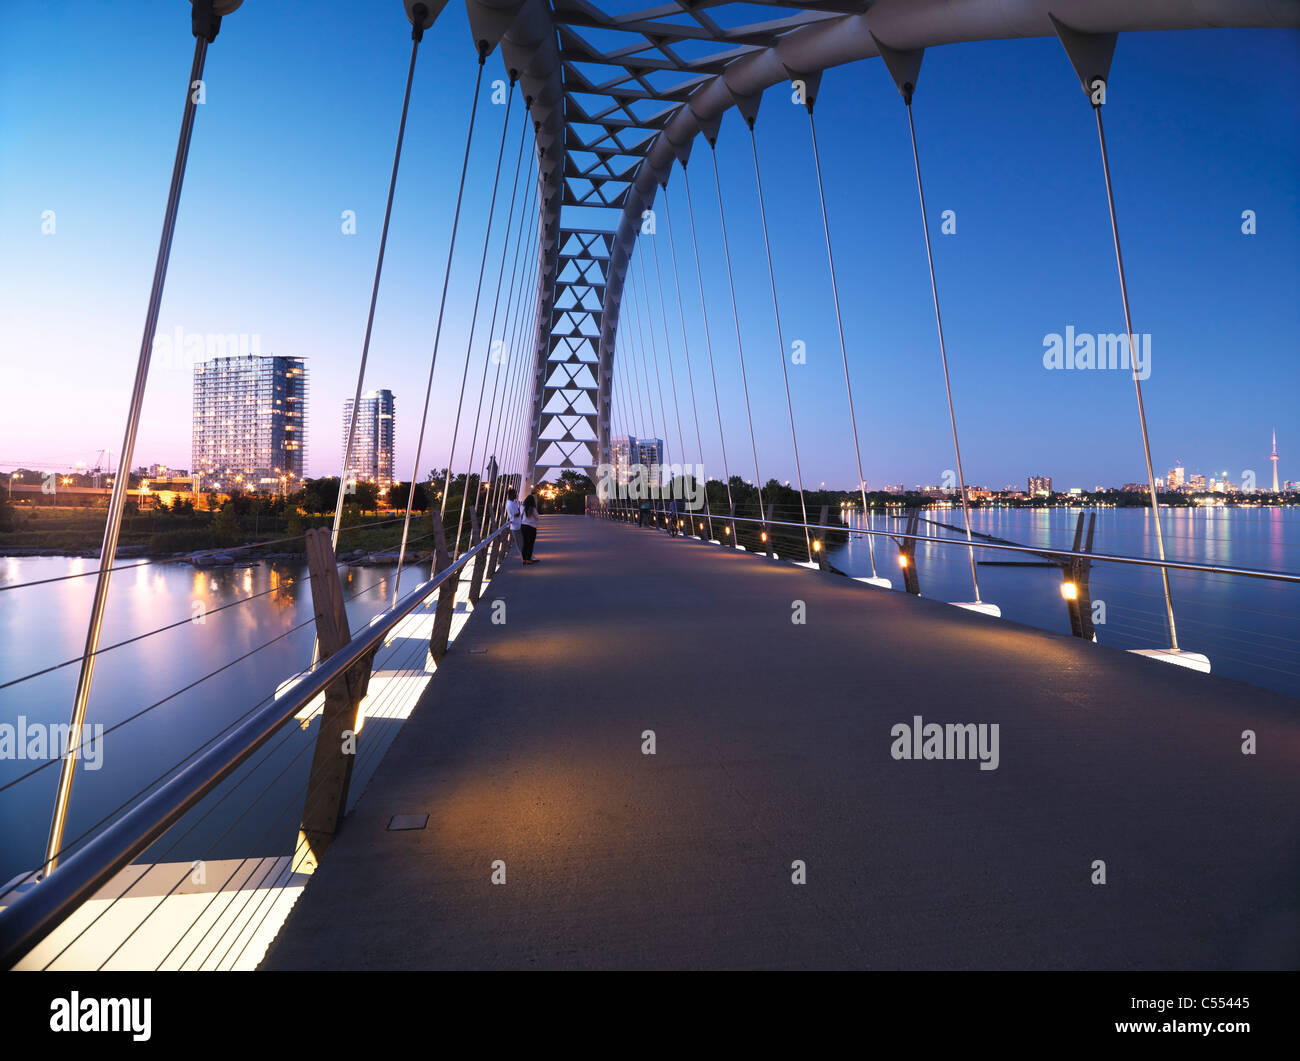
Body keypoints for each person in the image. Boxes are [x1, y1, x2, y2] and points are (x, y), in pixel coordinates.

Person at [520, 491, 540, 564]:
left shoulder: (522, 507)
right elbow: (537, 518)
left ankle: (524, 559)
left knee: (525, 543)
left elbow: (520, 515)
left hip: (523, 526)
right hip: (531, 527)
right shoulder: (533, 509)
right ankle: (528, 559)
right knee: (530, 543)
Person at [504, 487, 522, 557]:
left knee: (520, 542)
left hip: (517, 525)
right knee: (520, 543)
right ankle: (524, 558)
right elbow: (516, 514)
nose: (516, 495)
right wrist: (520, 510)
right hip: (515, 526)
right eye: (515, 494)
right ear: (511, 495)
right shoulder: (510, 504)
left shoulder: (512, 502)